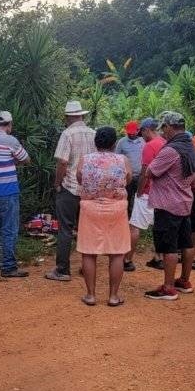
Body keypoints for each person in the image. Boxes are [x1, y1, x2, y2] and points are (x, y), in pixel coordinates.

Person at [144, 111, 195, 301]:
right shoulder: (191, 147)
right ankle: (184, 280)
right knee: (186, 243)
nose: (162, 133)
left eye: (164, 129)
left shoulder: (170, 150)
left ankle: (168, 287)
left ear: (169, 127)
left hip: (168, 204)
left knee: (169, 246)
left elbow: (150, 171)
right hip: (185, 202)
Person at [75, 127, 131, 307]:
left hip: (90, 209)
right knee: (117, 253)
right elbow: (128, 179)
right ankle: (113, 296)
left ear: (95, 143)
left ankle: (91, 295)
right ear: (114, 143)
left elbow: (79, 178)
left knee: (89, 252)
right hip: (116, 209)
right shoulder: (123, 160)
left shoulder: (85, 159)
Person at [45, 100, 95, 282]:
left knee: (65, 229)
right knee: (86, 229)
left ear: (68, 117)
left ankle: (63, 270)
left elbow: (63, 163)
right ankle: (87, 266)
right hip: (89, 189)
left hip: (70, 187)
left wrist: (57, 183)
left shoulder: (67, 134)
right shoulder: (93, 133)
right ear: (82, 115)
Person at [0, 110, 30, 278]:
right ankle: (8, 266)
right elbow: (26, 159)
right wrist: (14, 161)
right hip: (8, 190)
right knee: (9, 229)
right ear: (9, 125)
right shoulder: (10, 140)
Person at [124, 117, 165, 272]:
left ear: (148, 130)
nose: (141, 135)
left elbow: (145, 172)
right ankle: (158, 257)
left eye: (142, 131)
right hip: (162, 192)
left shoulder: (150, 146)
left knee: (135, 226)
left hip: (148, 191)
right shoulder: (164, 142)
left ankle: (127, 260)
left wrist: (139, 191)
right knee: (159, 226)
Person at [115, 120, 144, 215]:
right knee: (126, 197)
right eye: (129, 133)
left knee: (139, 198)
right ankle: (125, 216)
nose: (131, 135)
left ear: (137, 131)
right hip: (127, 176)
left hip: (140, 176)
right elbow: (116, 158)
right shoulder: (122, 142)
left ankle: (136, 218)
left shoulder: (143, 142)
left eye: (133, 132)